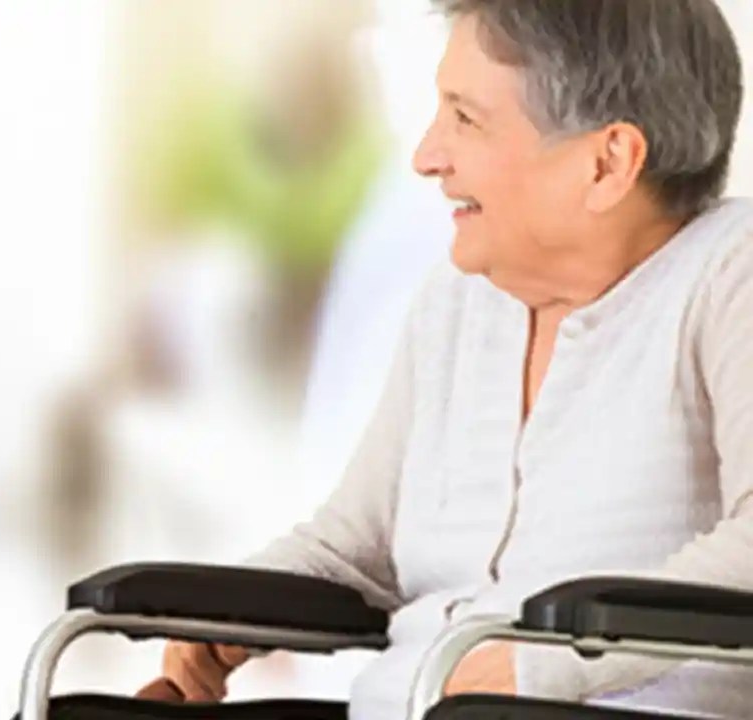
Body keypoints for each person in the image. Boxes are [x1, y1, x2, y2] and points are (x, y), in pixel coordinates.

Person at [139, 0, 753, 717]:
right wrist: (220, 623)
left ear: (607, 162)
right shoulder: (457, 304)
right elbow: (353, 549)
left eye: (466, 118)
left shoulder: (727, 276)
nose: (427, 155)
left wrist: (542, 669)